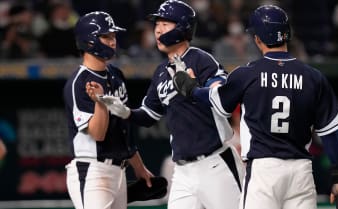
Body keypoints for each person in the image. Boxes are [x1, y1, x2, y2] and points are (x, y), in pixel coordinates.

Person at [172, 5, 338, 209]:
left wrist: (192, 89)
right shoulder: (313, 77)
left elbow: (218, 103)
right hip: (301, 172)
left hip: (264, 171)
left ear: (257, 39)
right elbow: (330, 133)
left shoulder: (248, 74)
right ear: (287, 35)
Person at [90, 1, 244, 209]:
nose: (158, 30)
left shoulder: (200, 59)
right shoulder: (161, 71)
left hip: (216, 164)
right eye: (157, 25)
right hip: (182, 172)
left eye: (165, 24)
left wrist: (196, 89)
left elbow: (222, 92)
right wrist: (126, 112)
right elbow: (148, 116)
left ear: (182, 27)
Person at [63, 11, 153, 209]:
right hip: (92, 170)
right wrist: (100, 102)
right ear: (89, 41)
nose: (113, 42)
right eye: (106, 36)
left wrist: (139, 167)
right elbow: (97, 134)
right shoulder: (79, 82)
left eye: (113, 36)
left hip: (118, 171)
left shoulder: (116, 74)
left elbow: (123, 127)